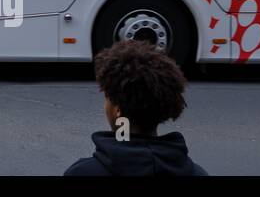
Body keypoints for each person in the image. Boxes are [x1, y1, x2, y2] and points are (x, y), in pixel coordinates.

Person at [64, 40, 207, 176]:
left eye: (106, 97)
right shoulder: (197, 173)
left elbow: (124, 138)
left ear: (117, 109)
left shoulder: (82, 172)